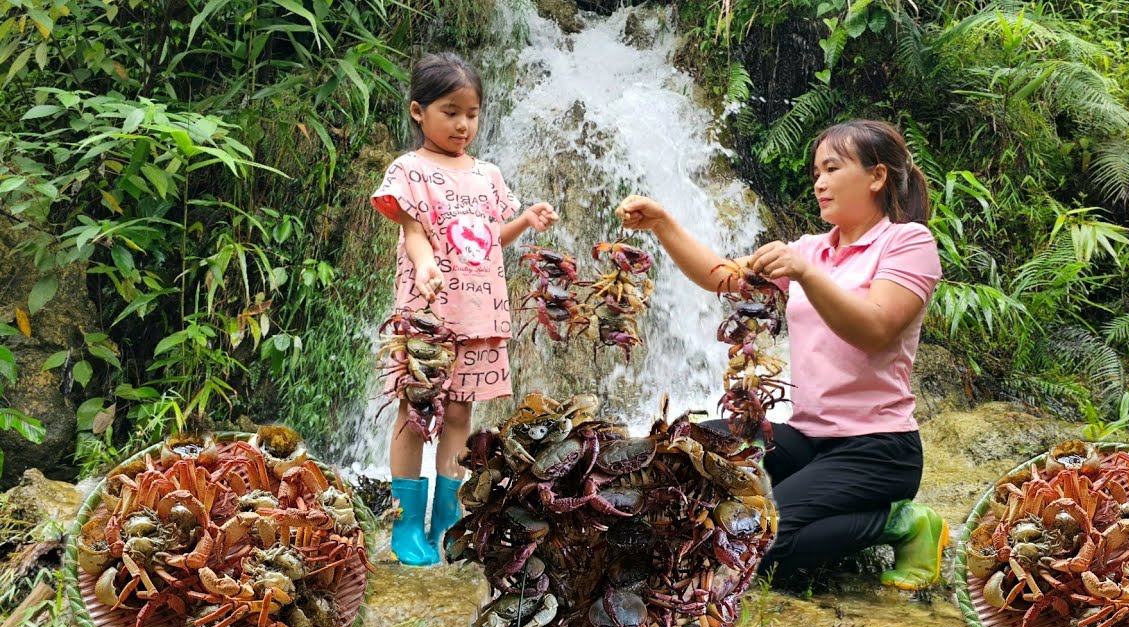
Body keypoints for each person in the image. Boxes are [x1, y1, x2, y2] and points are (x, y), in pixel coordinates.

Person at [615, 119, 948, 590]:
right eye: (816, 172)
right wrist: (663, 224)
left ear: (876, 177)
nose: (819, 182)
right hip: (806, 439)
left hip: (878, 450)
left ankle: (900, 523)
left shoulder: (907, 243)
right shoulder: (810, 249)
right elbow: (723, 277)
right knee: (686, 454)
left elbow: (876, 329)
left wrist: (807, 276)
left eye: (832, 169)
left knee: (758, 546)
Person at [371, 53, 560, 566]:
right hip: (428, 314)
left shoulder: (488, 175)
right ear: (418, 111)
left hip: (480, 318)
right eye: (450, 111)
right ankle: (407, 523)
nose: (463, 124)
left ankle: (449, 517)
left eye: (472, 113)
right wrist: (427, 264)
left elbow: (486, 240)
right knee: (415, 414)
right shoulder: (410, 171)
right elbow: (413, 233)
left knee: (460, 415)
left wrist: (523, 221)